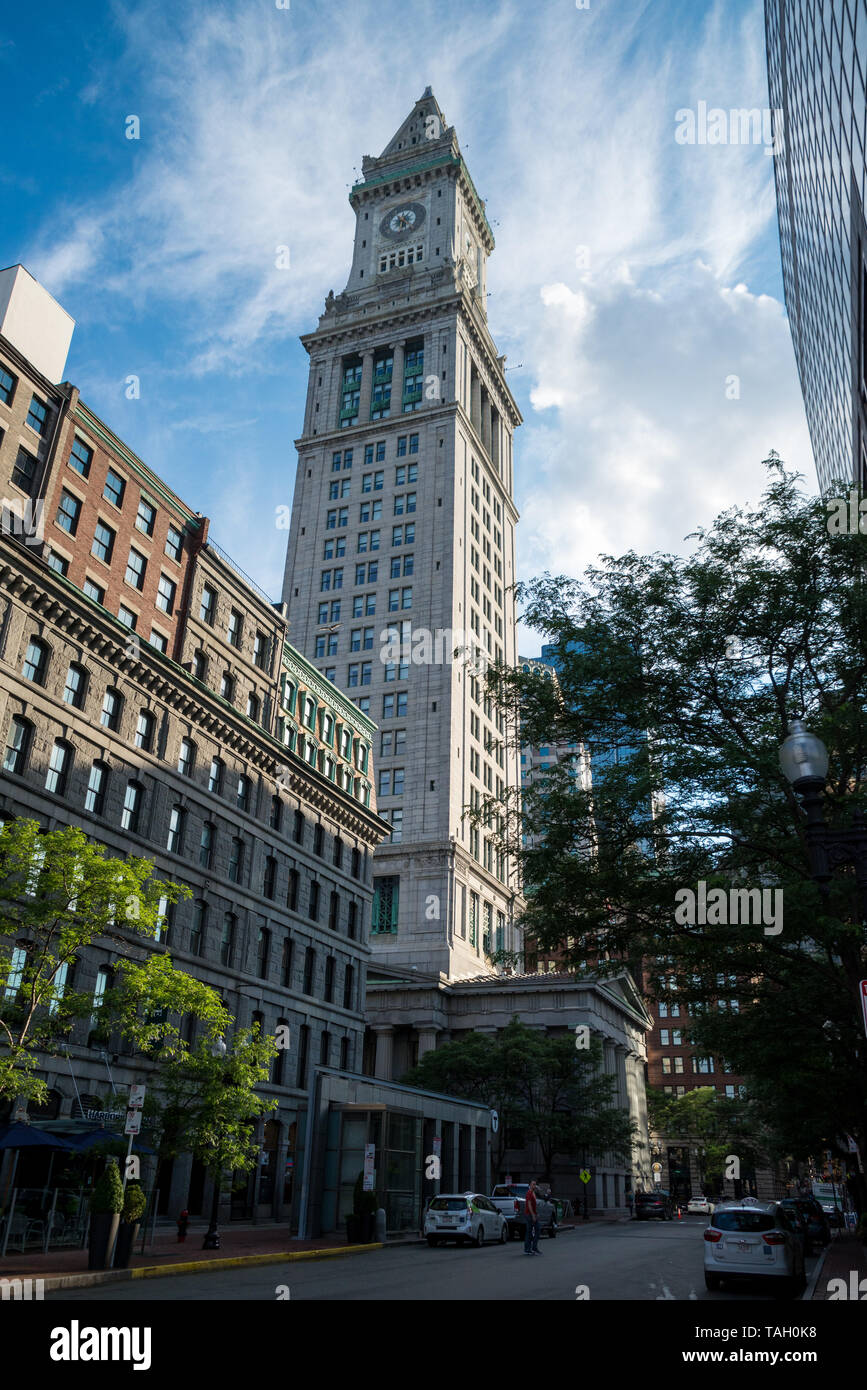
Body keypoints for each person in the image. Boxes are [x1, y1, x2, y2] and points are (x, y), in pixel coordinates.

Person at [524, 1180, 541, 1255]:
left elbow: (534, 1205)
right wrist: (533, 1215)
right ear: (530, 1185)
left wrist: (536, 1214)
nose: (534, 1185)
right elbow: (529, 1205)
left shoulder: (534, 1193)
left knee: (536, 1230)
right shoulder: (529, 1193)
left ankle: (533, 1247)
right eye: (533, 1184)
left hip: (533, 1214)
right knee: (530, 1231)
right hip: (529, 1215)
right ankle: (528, 1248)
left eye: (535, 1184)